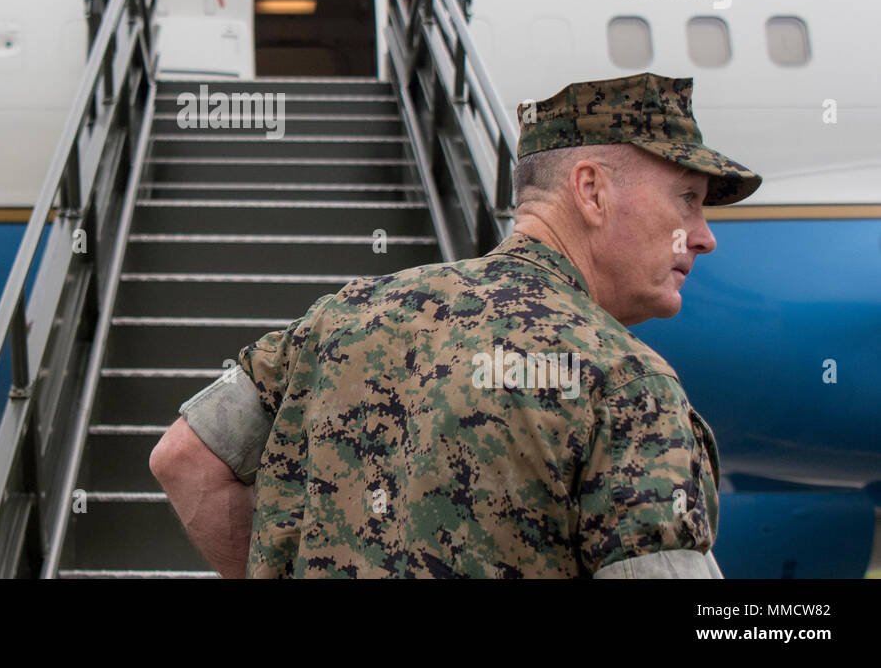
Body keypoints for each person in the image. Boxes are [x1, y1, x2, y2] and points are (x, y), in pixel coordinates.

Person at [150, 72, 761, 578]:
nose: (703, 236)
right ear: (592, 191)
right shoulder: (624, 382)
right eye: (687, 199)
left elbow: (183, 458)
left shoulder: (339, 321)